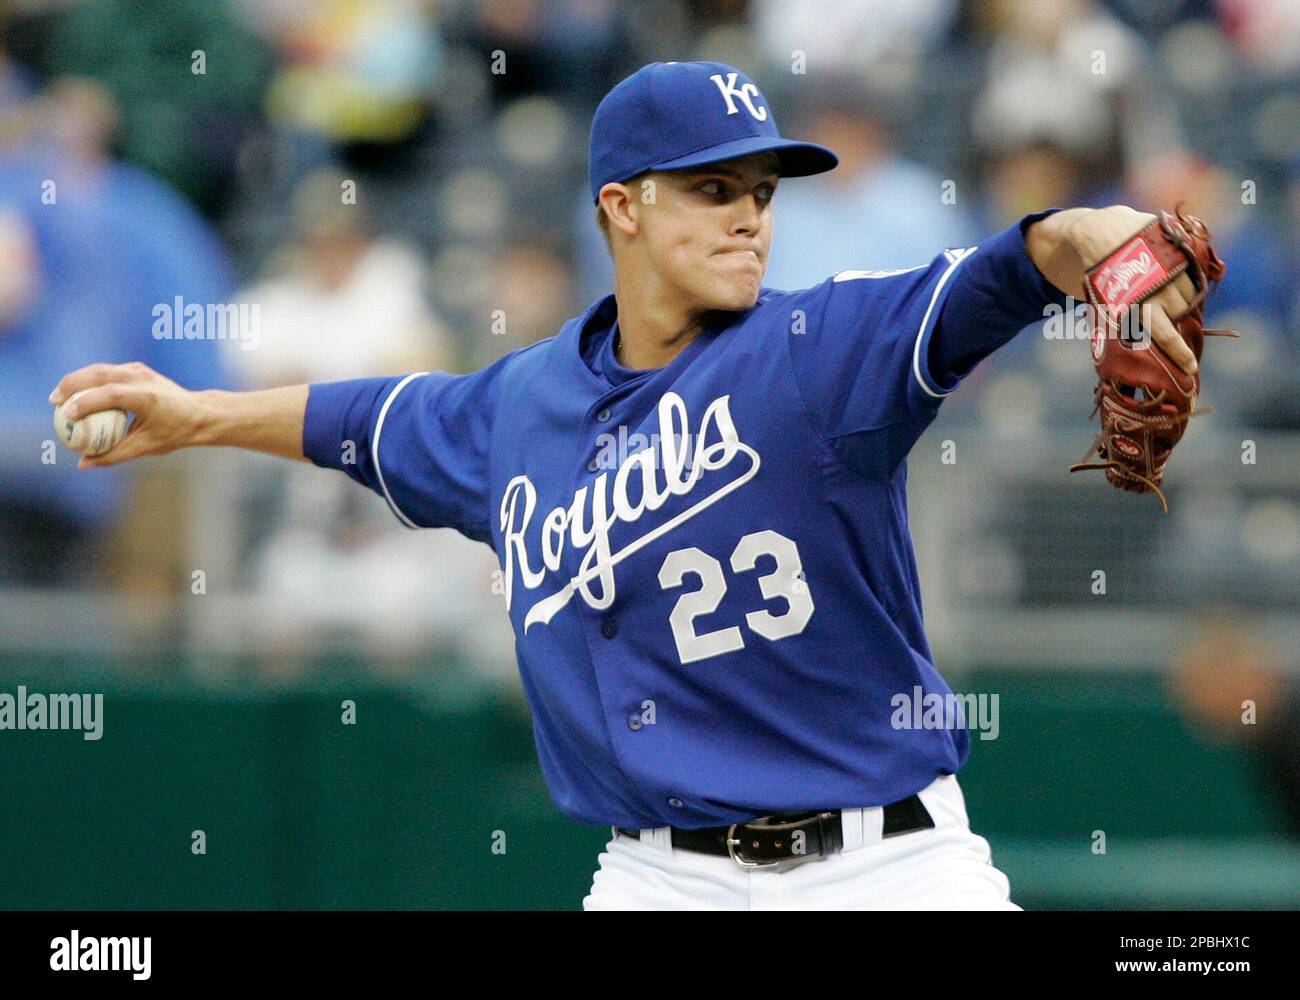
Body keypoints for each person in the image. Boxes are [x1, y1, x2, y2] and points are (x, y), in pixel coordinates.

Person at [49, 61, 1206, 910]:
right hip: (657, 875)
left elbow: (1016, 264)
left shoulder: (821, 347)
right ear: (621, 204)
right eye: (712, 187)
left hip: (889, 866)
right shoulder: (515, 407)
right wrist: (197, 415)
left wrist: (1103, 234)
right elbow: (362, 418)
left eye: (762, 188)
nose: (750, 212)